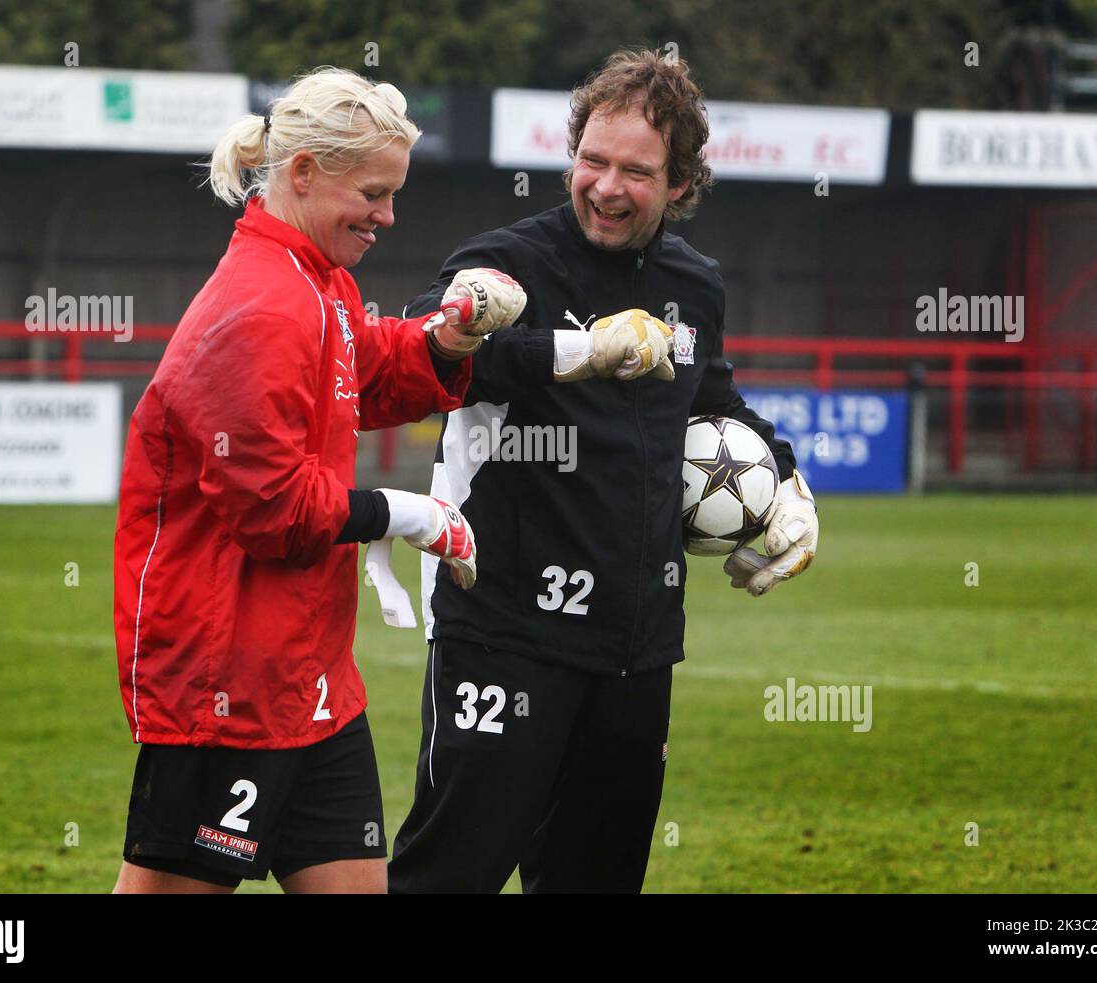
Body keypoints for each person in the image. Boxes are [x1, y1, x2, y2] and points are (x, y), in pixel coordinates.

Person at [388, 49, 819, 893]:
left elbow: (715, 401)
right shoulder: (505, 260)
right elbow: (438, 350)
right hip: (504, 633)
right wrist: (583, 351)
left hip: (636, 647)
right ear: (570, 155)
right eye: (593, 160)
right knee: (447, 876)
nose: (607, 186)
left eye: (637, 171)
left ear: (682, 186)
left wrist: (792, 482)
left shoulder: (695, 285)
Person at [111, 68, 526, 894]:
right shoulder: (259, 306)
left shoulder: (319, 280)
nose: (387, 216)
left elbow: (364, 375)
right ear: (304, 174)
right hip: (226, 682)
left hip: (313, 677)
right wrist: (414, 514)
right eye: (373, 193)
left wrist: (445, 339)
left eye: (393, 193)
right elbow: (271, 510)